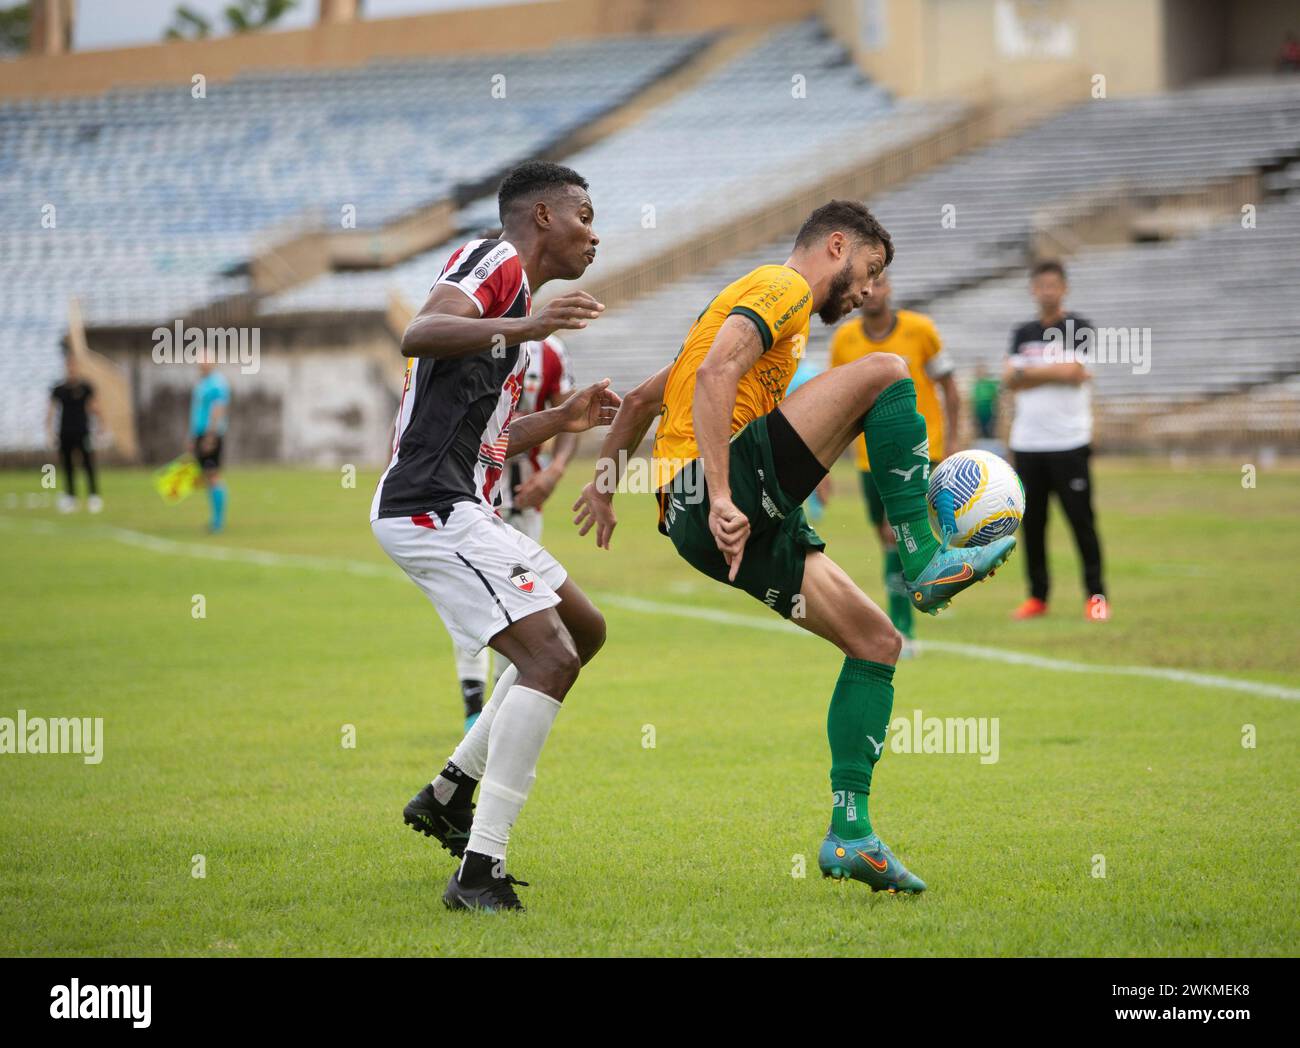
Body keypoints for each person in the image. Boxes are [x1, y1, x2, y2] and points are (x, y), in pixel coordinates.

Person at [574, 200, 1015, 895]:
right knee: (887, 372)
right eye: (868, 271)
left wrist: (604, 486)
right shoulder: (780, 291)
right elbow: (718, 376)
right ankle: (925, 561)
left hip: (712, 517)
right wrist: (719, 495)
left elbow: (638, 401)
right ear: (836, 246)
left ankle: (851, 835)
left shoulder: (756, 316)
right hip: (716, 498)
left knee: (876, 643)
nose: (869, 291)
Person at [375, 161, 617, 912]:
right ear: (542, 215)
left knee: (585, 628)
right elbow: (418, 332)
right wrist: (526, 326)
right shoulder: (496, 261)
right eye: (583, 214)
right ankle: (480, 869)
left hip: (464, 503)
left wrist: (564, 420)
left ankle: (450, 794)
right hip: (428, 506)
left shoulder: (510, 320)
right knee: (550, 658)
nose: (594, 232)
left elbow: (489, 442)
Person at [451, 334, 578, 732]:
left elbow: (570, 416)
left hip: (524, 496)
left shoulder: (551, 352)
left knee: (521, 602)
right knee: (469, 600)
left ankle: (499, 707)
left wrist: (554, 473)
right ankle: (475, 708)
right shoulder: (467, 344)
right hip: (466, 494)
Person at [828, 271, 958, 655]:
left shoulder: (921, 331)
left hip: (922, 451)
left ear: (890, 289)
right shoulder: (844, 341)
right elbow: (836, 403)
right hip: (872, 459)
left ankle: (903, 628)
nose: (873, 292)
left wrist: (951, 443)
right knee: (891, 541)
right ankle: (929, 595)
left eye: (881, 283)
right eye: (867, 285)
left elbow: (949, 387)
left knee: (897, 535)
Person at [1003, 260, 1108, 622]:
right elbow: (1009, 378)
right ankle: (1038, 596)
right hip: (1028, 443)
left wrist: (1029, 372)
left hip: (1069, 442)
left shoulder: (1078, 327)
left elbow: (1075, 372)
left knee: (1081, 521)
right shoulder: (1022, 331)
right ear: (1033, 289)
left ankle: (1096, 598)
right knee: (1032, 526)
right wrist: (1053, 372)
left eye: (1053, 285)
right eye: (1041, 285)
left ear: (1064, 288)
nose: (1047, 291)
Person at [47, 351, 103, 514]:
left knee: (88, 463)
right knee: (67, 465)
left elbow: (94, 408)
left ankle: (93, 496)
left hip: (83, 431)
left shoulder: (86, 388)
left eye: (74, 366)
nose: (71, 369)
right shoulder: (59, 389)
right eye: (69, 366)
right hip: (65, 432)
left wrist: (101, 425)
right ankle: (70, 497)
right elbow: (50, 411)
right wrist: (49, 431)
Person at [189, 359, 231, 534]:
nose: (201, 365)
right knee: (206, 476)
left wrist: (211, 435)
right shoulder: (202, 383)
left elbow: (218, 409)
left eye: (204, 362)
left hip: (210, 435)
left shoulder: (217, 383)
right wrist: (193, 438)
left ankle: (218, 521)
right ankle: (215, 518)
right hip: (200, 434)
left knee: (213, 475)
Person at [971, 363, 999, 441]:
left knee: (990, 432)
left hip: (989, 412)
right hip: (979, 413)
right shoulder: (976, 385)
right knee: (980, 433)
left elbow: (995, 397)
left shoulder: (990, 384)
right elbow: (974, 400)